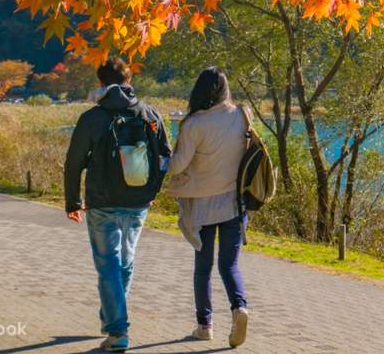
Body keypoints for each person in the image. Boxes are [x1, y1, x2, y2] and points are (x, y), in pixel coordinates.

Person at [63, 58, 172, 352]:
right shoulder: (150, 114)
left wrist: (73, 201)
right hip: (138, 202)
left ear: (101, 83)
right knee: (124, 262)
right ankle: (112, 319)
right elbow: (165, 157)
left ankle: (117, 330)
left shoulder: (92, 118)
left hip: (102, 202)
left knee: (108, 265)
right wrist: (153, 191)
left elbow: (74, 162)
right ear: (129, 78)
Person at [166, 67, 251, 347]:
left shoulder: (194, 124)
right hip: (234, 203)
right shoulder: (242, 115)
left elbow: (177, 165)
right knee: (230, 266)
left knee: (203, 268)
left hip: (201, 206)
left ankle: (205, 326)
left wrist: (162, 160)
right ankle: (239, 307)